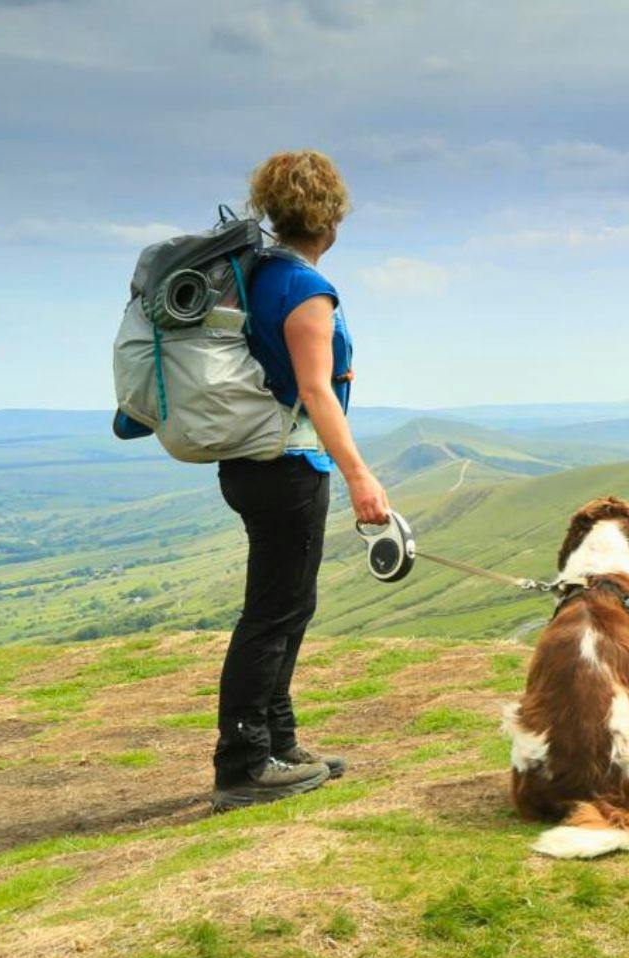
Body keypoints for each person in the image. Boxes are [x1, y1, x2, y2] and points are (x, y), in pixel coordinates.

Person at [210, 150, 391, 811]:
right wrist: (361, 478)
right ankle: (243, 763)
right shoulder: (305, 291)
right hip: (288, 465)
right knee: (272, 614)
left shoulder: (256, 276)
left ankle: (278, 743)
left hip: (251, 461)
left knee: (287, 608)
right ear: (331, 218)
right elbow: (317, 391)